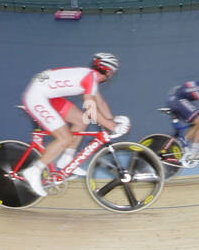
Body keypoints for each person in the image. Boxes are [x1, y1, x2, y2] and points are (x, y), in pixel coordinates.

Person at [19, 52, 126, 197]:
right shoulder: (90, 79)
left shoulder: (90, 77)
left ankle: (65, 160)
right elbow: (91, 110)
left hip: (46, 92)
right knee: (65, 138)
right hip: (37, 96)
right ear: (108, 72)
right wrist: (112, 127)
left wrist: (111, 121)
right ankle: (34, 171)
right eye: (112, 73)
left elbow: (100, 103)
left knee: (81, 121)